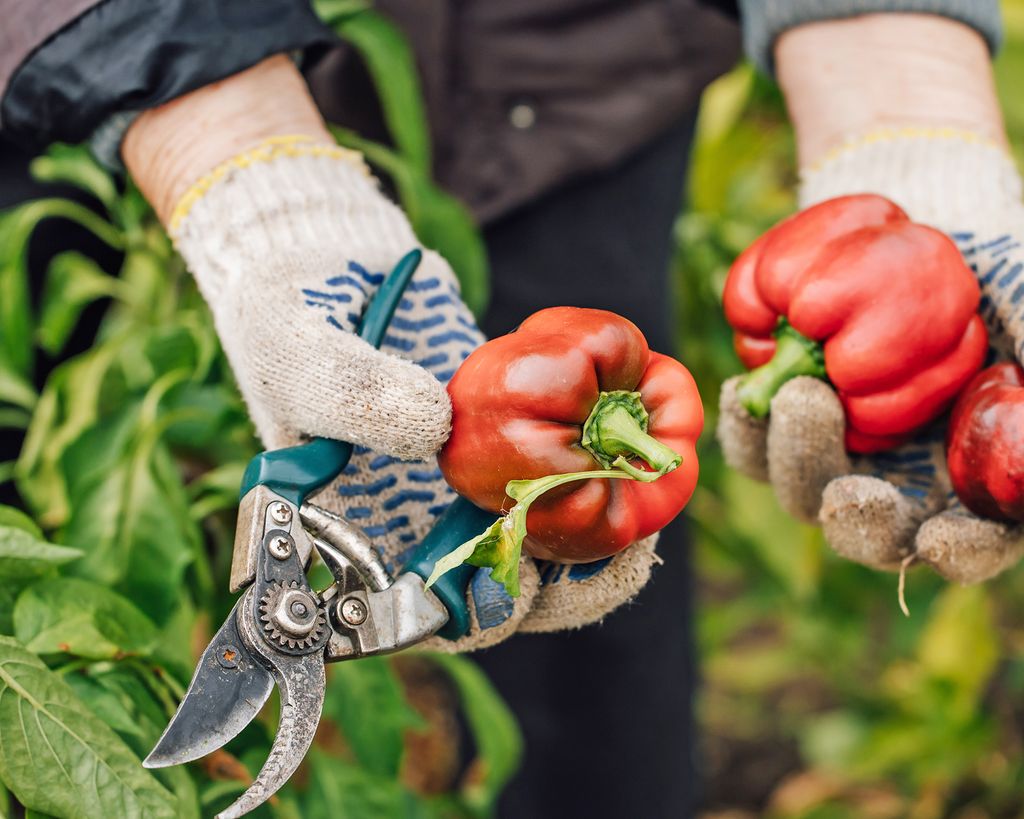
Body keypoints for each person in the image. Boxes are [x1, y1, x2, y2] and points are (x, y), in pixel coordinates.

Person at [0, 2, 1019, 816]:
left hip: (566, 77)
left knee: (589, 697)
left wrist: (901, 87)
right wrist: (245, 179)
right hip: (69, 82)